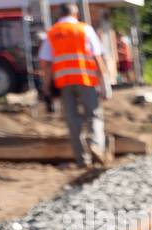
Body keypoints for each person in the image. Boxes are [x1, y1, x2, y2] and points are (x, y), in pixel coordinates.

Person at [39, 3, 111, 166]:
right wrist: (105, 82)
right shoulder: (84, 29)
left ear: (59, 14)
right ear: (76, 14)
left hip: (64, 82)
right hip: (86, 79)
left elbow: (45, 62)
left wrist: (46, 86)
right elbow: (97, 57)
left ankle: (82, 159)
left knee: (72, 120)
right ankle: (95, 146)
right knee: (93, 115)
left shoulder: (53, 32)